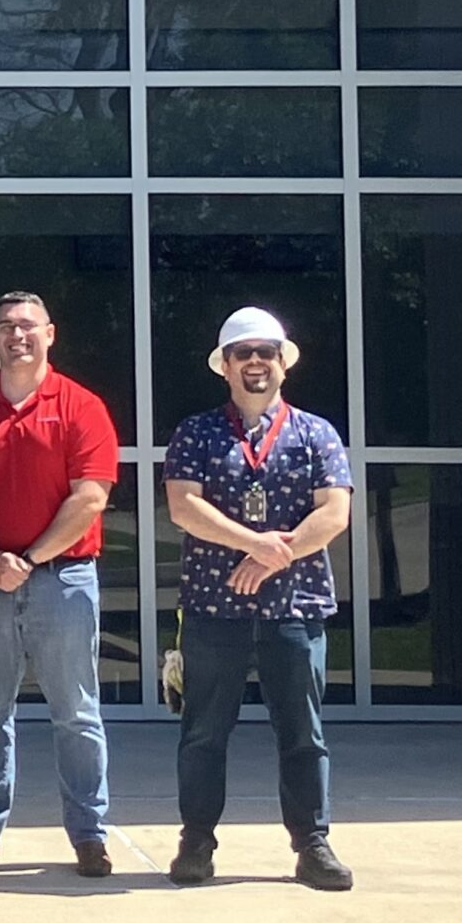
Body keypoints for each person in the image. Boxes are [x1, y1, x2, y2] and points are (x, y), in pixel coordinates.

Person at [163, 307, 355, 893]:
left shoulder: (316, 433)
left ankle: (312, 843)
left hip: (294, 607)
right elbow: (183, 506)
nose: (255, 363)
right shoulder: (196, 432)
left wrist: (277, 555)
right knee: (203, 732)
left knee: (302, 731)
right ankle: (196, 841)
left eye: (266, 353)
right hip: (213, 606)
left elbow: (335, 512)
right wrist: (256, 544)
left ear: (282, 365)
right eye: (243, 353)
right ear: (224, 366)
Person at [0, 290, 119, 876]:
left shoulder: (82, 406)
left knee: (77, 713)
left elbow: (90, 496)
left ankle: (89, 833)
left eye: (28, 326)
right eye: (6, 327)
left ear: (50, 333)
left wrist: (30, 557)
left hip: (63, 581)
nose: (17, 335)